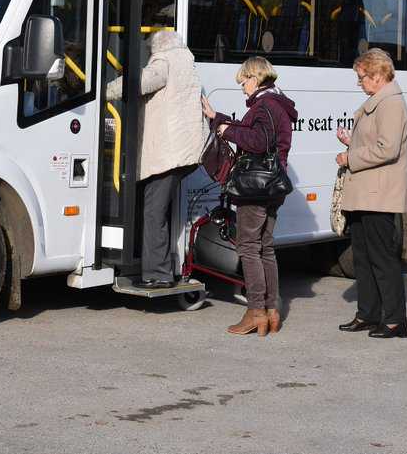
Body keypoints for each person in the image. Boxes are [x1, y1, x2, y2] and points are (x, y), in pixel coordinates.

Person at [201, 56, 297, 336]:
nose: (242, 88)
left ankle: (255, 311)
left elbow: (258, 141)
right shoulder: (276, 103)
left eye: (243, 82)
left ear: (255, 79)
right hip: (272, 185)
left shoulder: (265, 105)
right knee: (265, 248)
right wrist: (217, 119)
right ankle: (271, 311)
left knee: (248, 247)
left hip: (255, 187)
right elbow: (256, 133)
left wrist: (225, 130)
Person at [106, 30, 209, 289]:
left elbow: (139, 82)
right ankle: (150, 265)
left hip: (169, 153)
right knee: (154, 208)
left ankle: (158, 273)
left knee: (153, 212)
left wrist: (104, 90)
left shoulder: (164, 61)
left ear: (156, 47)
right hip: (182, 151)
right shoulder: (186, 62)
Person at [334, 48, 407, 339]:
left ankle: (394, 320)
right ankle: (367, 314)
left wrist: (350, 158)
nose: (359, 82)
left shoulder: (391, 103)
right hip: (367, 192)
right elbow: (377, 144)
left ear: (379, 76)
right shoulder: (378, 101)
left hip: (379, 194)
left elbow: (387, 148)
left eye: (362, 77)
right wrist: (351, 142)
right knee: (363, 258)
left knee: (382, 259)